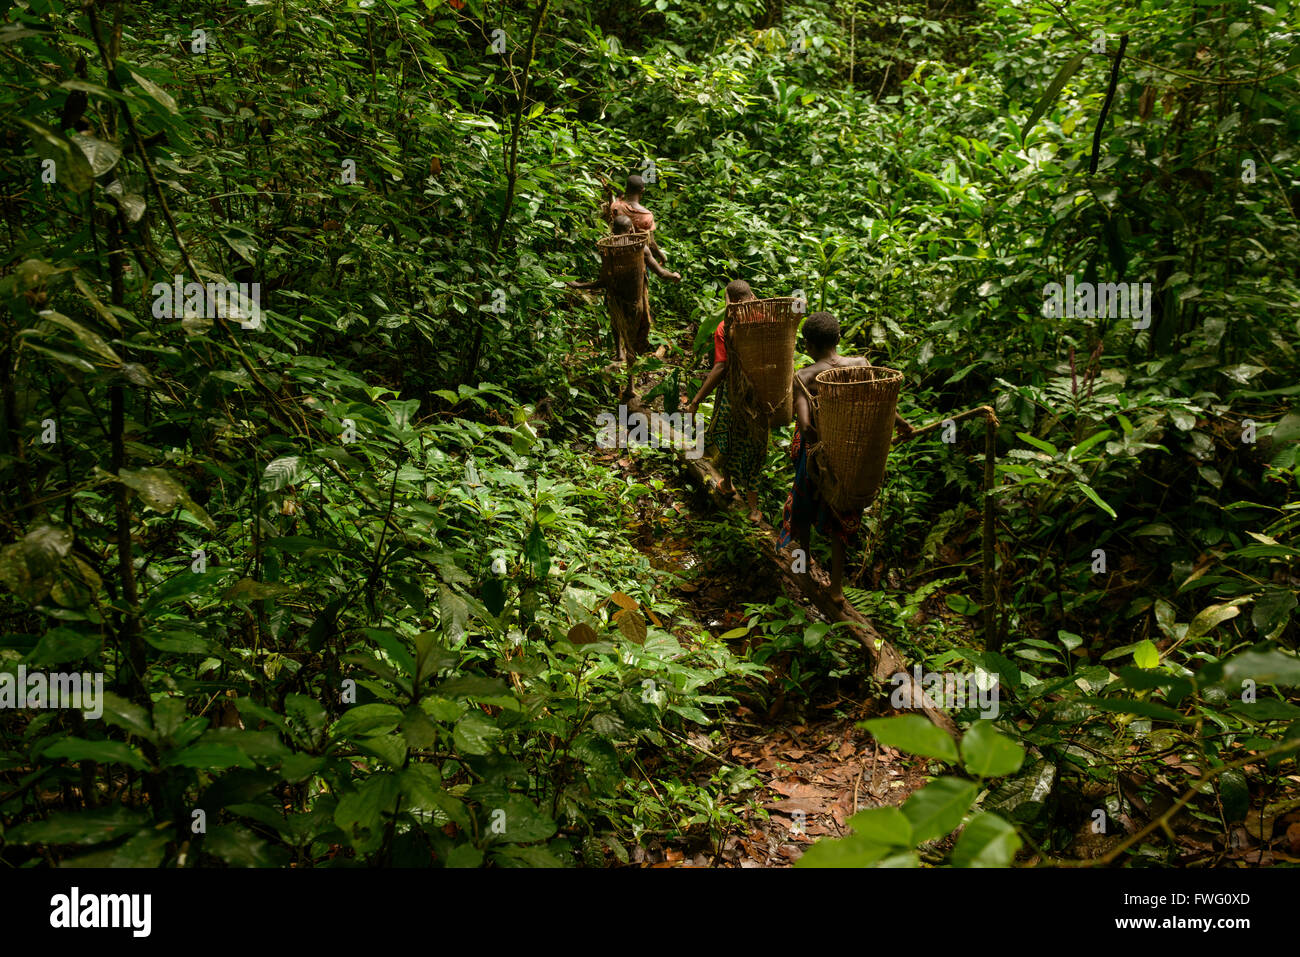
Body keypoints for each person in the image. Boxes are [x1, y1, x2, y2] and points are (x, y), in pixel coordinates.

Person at [778, 311, 913, 604]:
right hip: (853, 454)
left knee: (801, 511)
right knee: (841, 516)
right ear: (838, 339)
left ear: (808, 345)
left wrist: (818, 440)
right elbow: (880, 404)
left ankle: (804, 564)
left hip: (819, 458)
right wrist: (901, 424)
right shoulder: (861, 365)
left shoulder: (804, 377)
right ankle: (837, 589)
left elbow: (804, 426)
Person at [686, 280, 767, 523]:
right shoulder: (768, 321)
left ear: (729, 301)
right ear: (752, 296)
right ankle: (752, 506)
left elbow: (721, 367)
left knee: (730, 435)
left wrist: (696, 401)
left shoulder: (725, 327)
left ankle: (729, 484)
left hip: (736, 394)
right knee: (756, 445)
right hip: (763, 396)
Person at [567, 215, 680, 367]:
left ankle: (620, 353)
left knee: (617, 322)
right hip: (634, 300)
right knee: (632, 338)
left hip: (616, 297)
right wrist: (673, 275)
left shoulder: (609, 251)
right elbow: (660, 273)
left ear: (613, 231)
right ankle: (629, 379)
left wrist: (579, 285)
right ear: (631, 230)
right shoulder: (641, 249)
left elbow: (603, 281)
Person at [607, 174, 667, 267]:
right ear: (642, 191)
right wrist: (661, 256)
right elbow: (651, 243)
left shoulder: (616, 207)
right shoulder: (647, 216)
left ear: (626, 189)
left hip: (617, 255)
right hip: (639, 258)